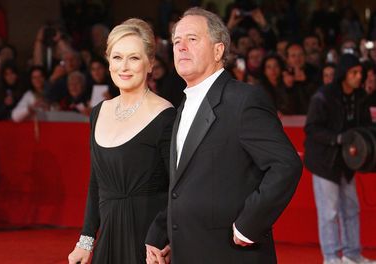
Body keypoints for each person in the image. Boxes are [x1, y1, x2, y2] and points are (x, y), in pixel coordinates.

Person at [145, 7, 302, 264]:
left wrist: (248, 226)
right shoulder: (183, 107)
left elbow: (286, 165)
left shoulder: (244, 100)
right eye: (176, 41)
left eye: (192, 39)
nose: (181, 47)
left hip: (231, 254)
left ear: (218, 51)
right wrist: (159, 233)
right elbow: (182, 185)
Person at [67, 18, 175, 264]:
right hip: (108, 239)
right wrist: (85, 241)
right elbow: (96, 182)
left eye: (134, 58)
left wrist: (164, 238)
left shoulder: (165, 115)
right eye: (117, 57)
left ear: (150, 64)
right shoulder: (99, 112)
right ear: (108, 62)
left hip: (149, 244)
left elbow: (179, 189)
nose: (124, 67)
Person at [304, 54, 375, 264]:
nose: (358, 76)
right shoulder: (324, 95)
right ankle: (331, 257)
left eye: (360, 73)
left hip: (348, 162)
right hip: (325, 162)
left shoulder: (360, 96)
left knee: (352, 209)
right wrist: (338, 138)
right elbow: (312, 128)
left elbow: (366, 126)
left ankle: (352, 254)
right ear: (344, 74)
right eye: (354, 73)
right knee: (329, 212)